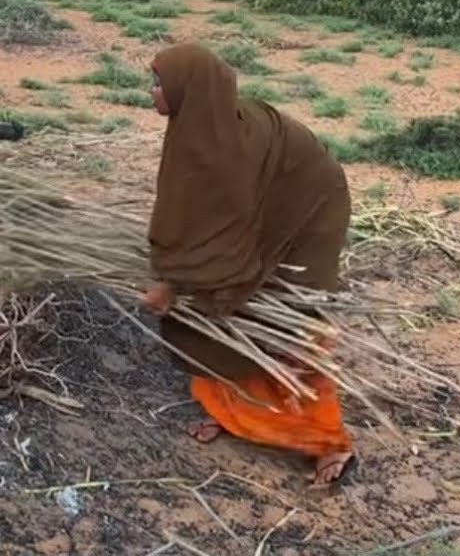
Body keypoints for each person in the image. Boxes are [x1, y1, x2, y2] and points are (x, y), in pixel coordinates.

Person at [142, 42, 358, 488]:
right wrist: (175, 274)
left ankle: (329, 441)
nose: (151, 91)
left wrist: (171, 281)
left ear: (188, 88)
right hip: (259, 216)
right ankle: (236, 415)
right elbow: (192, 215)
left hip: (306, 215)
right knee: (216, 318)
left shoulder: (226, 152)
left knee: (291, 327)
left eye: (159, 83)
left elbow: (220, 235)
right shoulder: (198, 127)